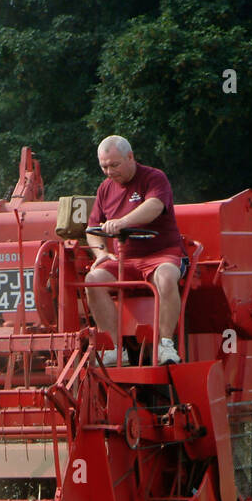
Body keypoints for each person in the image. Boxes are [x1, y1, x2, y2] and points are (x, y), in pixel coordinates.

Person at [84, 135, 186, 365]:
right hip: (125, 261)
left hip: (161, 255)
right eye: (104, 167)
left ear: (130, 157)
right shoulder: (104, 189)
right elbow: (91, 229)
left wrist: (122, 222)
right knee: (93, 279)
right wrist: (100, 254)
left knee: (167, 276)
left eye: (114, 165)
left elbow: (154, 206)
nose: (109, 171)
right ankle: (113, 348)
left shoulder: (154, 178)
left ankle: (165, 346)